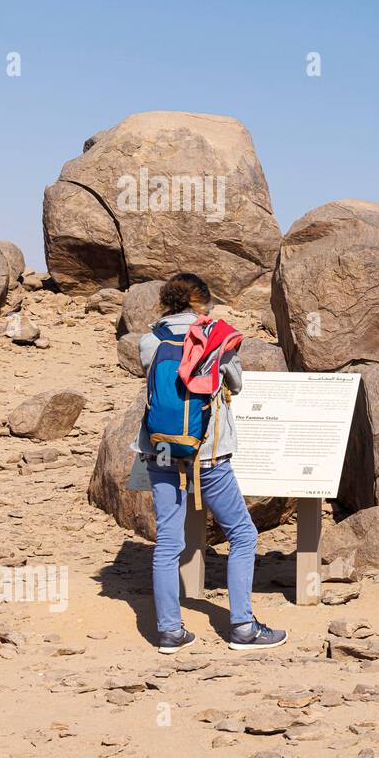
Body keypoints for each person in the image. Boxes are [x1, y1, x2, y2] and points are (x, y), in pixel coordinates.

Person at [133, 273, 287, 653]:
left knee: (168, 541)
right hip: (208, 453)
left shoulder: (150, 340)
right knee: (242, 533)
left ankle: (169, 631)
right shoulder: (216, 337)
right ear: (200, 302)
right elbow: (234, 383)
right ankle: (243, 627)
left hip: (162, 451)